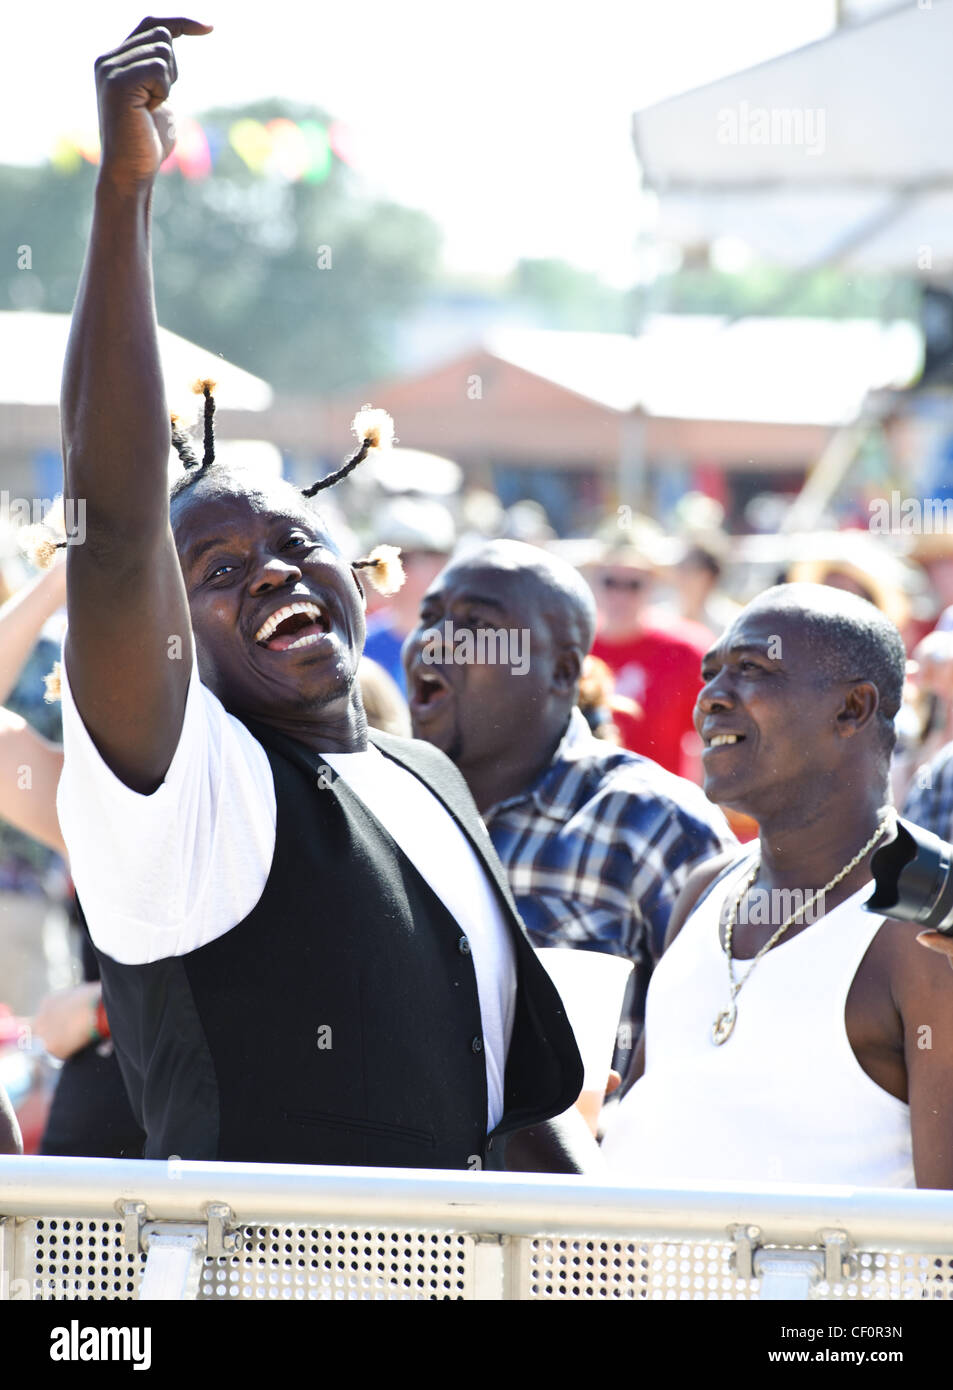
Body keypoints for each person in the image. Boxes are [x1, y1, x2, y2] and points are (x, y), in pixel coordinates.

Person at [54, 17, 585, 1173]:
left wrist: (621, 1252)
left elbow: (506, 1107)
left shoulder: (427, 777)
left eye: (297, 542)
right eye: (217, 571)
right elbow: (114, 531)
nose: (271, 571)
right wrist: (124, 196)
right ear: (168, 634)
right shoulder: (182, 787)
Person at [601, 582, 953, 1188]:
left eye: (751, 670)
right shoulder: (707, 889)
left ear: (852, 709)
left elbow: (942, 1223)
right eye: (711, 673)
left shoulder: (928, 917)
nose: (710, 697)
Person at [402, 539, 736, 1094]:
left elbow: (729, 1039)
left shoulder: (652, 823)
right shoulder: (386, 805)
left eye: (477, 626)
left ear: (560, 670)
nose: (435, 641)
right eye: (429, 617)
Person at [586, 537, 711, 778]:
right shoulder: (575, 647)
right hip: (587, 795)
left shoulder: (687, 650)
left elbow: (705, 736)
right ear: (594, 582)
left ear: (652, 584)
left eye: (633, 584)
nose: (621, 595)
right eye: (610, 582)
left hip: (660, 796)